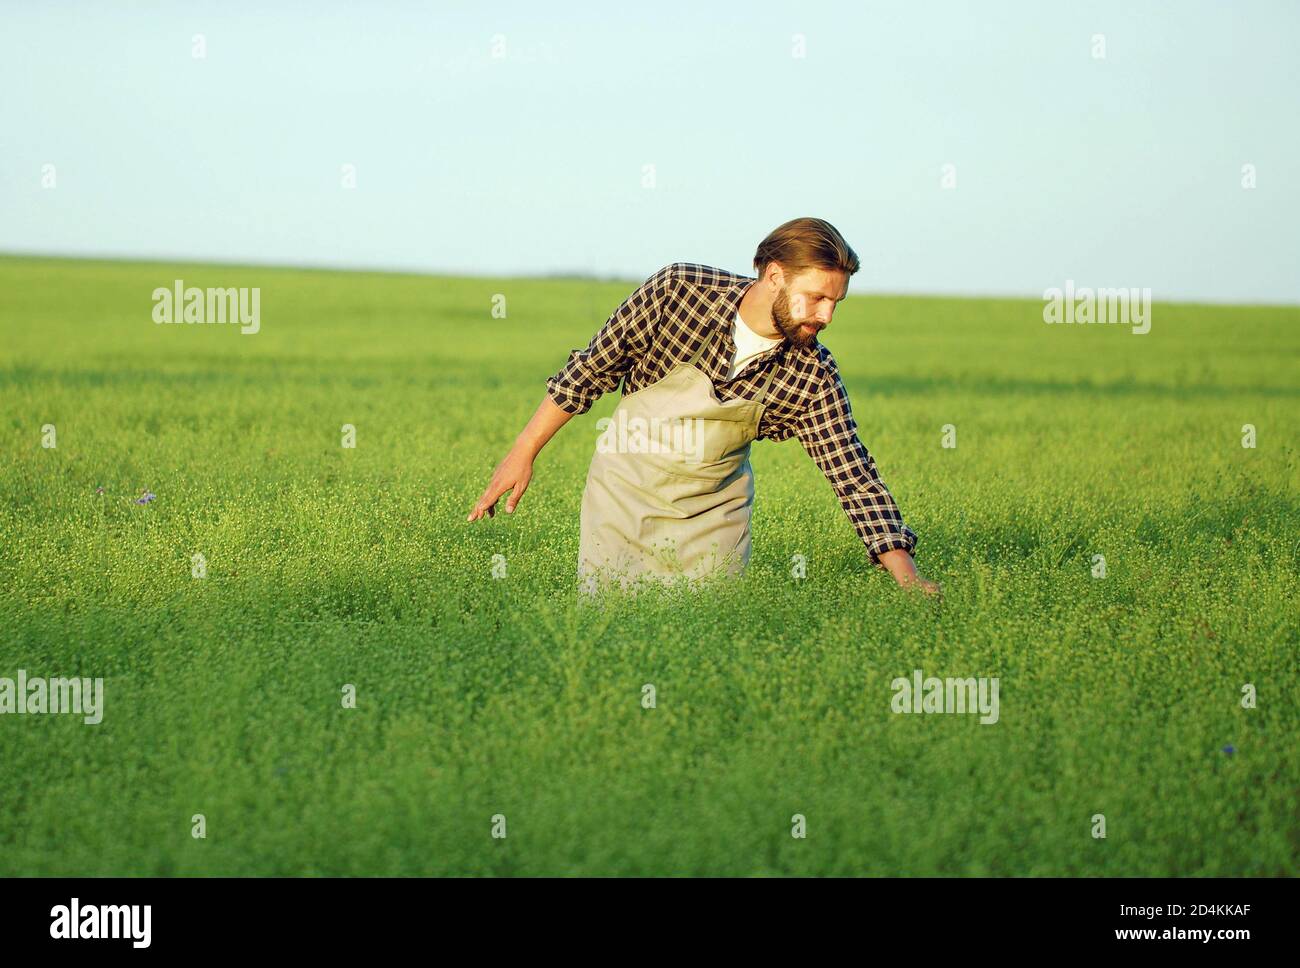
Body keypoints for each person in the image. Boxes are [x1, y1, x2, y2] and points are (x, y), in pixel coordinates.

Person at [468, 216, 939, 596]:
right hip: (622, 498)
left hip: (714, 520)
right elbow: (592, 369)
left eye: (836, 302)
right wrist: (524, 450)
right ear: (773, 275)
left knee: (700, 641)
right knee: (611, 626)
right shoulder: (678, 291)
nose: (826, 316)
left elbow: (852, 474)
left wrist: (907, 575)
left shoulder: (811, 373)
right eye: (815, 298)